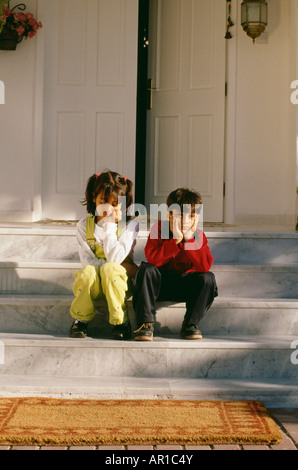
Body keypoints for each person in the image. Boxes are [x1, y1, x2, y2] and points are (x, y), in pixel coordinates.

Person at [133, 188, 218, 341]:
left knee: (208, 279)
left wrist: (189, 240)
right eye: (180, 215)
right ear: (169, 215)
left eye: (191, 216)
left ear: (197, 217)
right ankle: (145, 323)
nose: (185, 220)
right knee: (146, 270)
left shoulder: (198, 235)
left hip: (186, 284)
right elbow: (153, 259)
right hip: (160, 284)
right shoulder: (159, 228)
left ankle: (190, 324)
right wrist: (176, 241)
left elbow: (204, 266)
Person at [69, 170, 139, 340]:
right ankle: (81, 319)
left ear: (123, 203)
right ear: (94, 198)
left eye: (114, 204)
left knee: (111, 269)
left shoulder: (129, 226)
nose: (108, 209)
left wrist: (109, 226)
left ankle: (120, 322)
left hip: (119, 285)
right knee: (86, 273)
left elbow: (115, 259)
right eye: (103, 202)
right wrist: (108, 264)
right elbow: (87, 262)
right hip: (95, 285)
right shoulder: (84, 226)